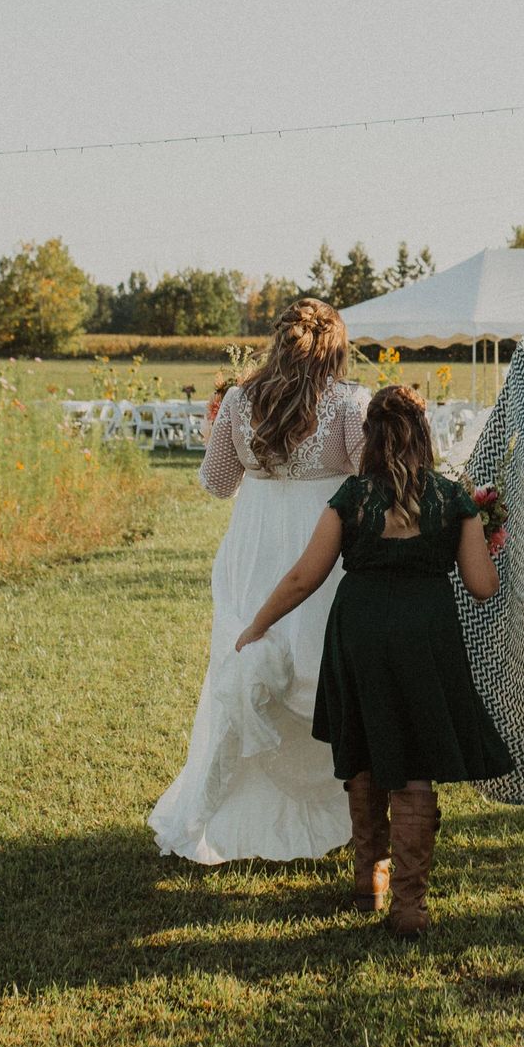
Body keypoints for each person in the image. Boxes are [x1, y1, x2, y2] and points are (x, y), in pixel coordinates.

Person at [236, 385, 511, 937]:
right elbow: (483, 586)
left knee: (363, 751)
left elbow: (302, 578)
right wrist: (490, 539)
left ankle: (369, 878)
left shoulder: (352, 498)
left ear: (370, 437)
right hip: (425, 639)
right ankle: (411, 906)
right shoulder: (452, 499)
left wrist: (257, 625)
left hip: (360, 634)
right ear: (423, 435)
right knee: (414, 771)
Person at [148, 297, 369, 865]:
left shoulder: (242, 400)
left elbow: (219, 483)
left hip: (253, 549)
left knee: (249, 663)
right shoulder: (349, 403)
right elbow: (373, 479)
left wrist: (214, 429)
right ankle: (345, 807)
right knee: (320, 669)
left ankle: (227, 807)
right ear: (337, 348)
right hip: (323, 545)